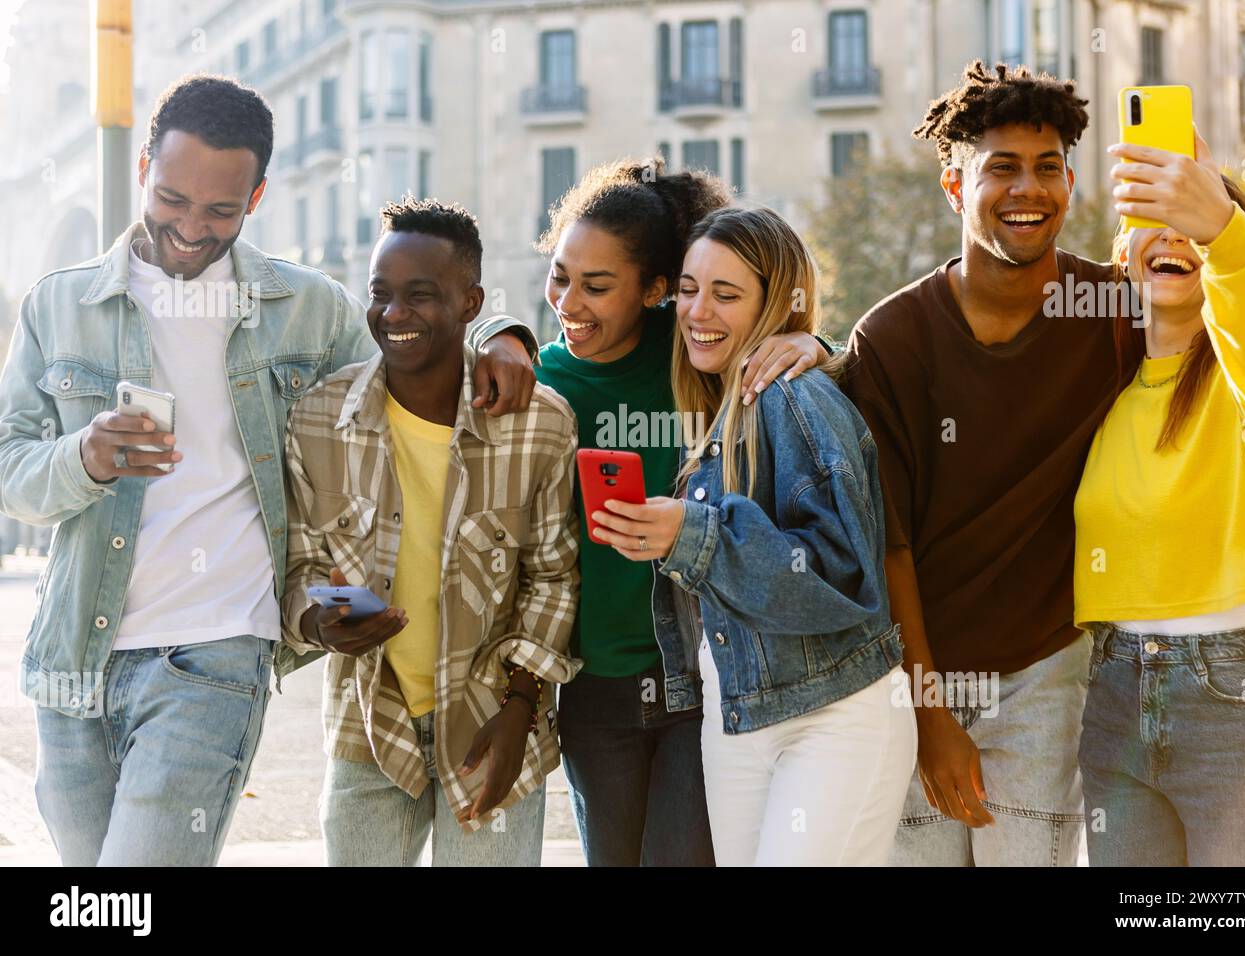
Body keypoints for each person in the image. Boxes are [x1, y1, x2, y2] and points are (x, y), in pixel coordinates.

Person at [0, 74, 532, 866]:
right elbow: (12, 471)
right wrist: (87, 455)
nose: (190, 228)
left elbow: (416, 349)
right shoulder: (60, 305)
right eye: (172, 198)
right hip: (76, 657)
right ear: (145, 163)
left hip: (216, 653)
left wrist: (502, 332)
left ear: (256, 198)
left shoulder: (306, 308)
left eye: (219, 210)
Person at [490, 157, 827, 866]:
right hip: (593, 690)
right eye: (559, 277)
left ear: (654, 290)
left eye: (597, 285)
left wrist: (814, 343)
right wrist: (496, 329)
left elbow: (814, 362)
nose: (569, 301)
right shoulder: (542, 382)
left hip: (700, 681)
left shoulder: (696, 357)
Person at [844, 61, 1124, 866]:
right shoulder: (892, 339)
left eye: (1046, 168)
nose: (1026, 189)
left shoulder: (1113, 312)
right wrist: (932, 717)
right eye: (1000, 167)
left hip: (1050, 666)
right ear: (956, 187)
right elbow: (888, 545)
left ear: (1070, 182)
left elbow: (1240, 341)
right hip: (915, 672)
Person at [598, 206, 915, 865]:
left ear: (775, 307)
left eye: (727, 294)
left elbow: (839, 576)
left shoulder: (793, 396)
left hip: (833, 716)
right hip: (735, 717)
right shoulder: (722, 406)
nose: (698, 311)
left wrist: (694, 534)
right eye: (688, 289)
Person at [280, 197, 580, 866]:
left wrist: (522, 709)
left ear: (471, 302)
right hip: (368, 724)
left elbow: (554, 576)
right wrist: (317, 620)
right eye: (381, 294)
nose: (394, 314)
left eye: (420, 295)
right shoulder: (318, 419)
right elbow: (298, 564)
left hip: (492, 720)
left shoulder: (540, 424)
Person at [1074, 134, 1245, 865]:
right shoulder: (1090, 387)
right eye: (1156, 220)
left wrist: (1225, 228)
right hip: (1108, 692)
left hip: (1233, 697)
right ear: (1123, 253)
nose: (1175, 237)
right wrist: (826, 354)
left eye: (1193, 224)